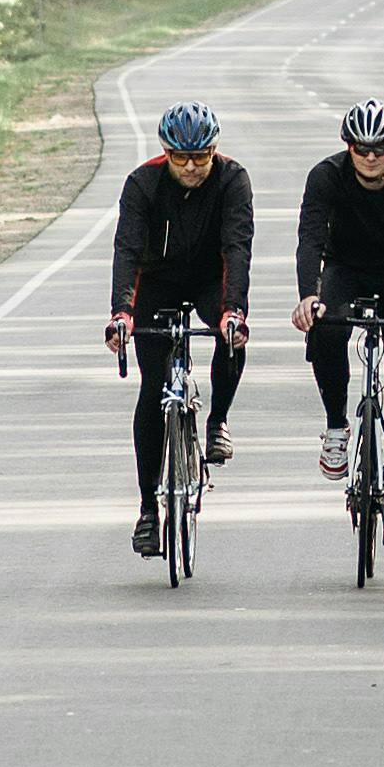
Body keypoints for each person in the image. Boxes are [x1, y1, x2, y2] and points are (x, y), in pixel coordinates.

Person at [291, 95, 384, 545]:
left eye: (381, 148)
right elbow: (310, 239)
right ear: (348, 148)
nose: (372, 156)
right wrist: (309, 296)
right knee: (324, 327)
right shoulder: (325, 176)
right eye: (362, 149)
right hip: (346, 269)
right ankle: (337, 424)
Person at [104, 101, 251, 554]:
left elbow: (236, 248)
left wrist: (233, 311)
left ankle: (218, 420)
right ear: (165, 152)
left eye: (201, 157)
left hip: (209, 278)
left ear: (214, 151)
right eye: (180, 158)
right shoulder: (142, 183)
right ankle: (149, 509)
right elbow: (127, 250)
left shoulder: (232, 180)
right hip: (157, 283)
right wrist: (121, 314)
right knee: (153, 390)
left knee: (232, 337)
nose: (190, 167)